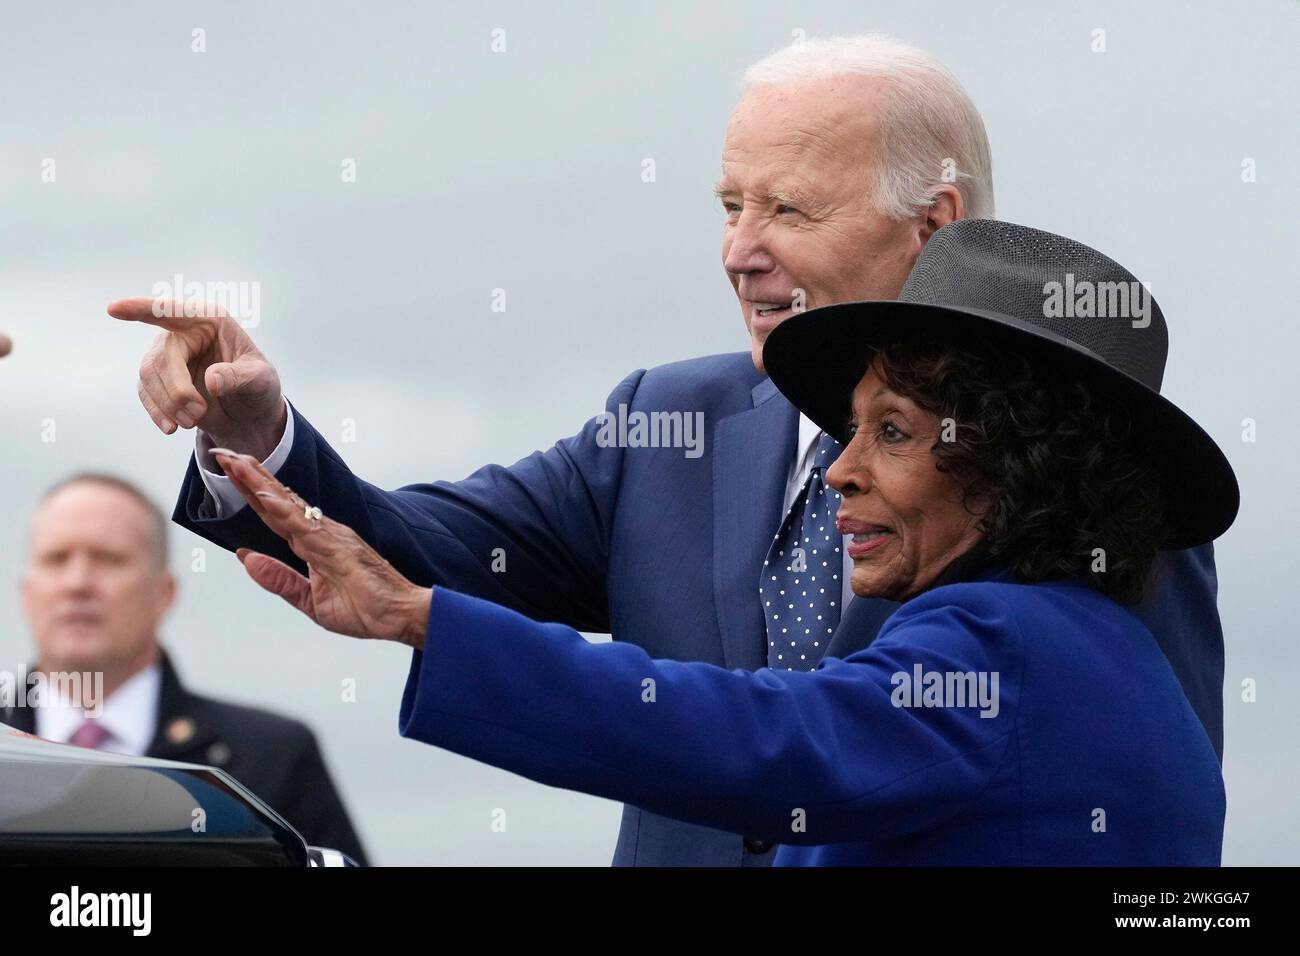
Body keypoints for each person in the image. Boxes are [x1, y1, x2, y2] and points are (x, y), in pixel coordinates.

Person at [109, 36, 1224, 865]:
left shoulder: (1087, 534)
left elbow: (785, 740)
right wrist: (255, 439)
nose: (740, 251)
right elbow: (413, 548)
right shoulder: (662, 425)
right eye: (727, 204)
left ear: (931, 222)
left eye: (786, 205)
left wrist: (420, 624)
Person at [2, 474, 369, 865]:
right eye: (57, 559)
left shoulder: (273, 755)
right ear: (26, 592)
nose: (77, 584)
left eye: (108, 560)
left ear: (164, 593)